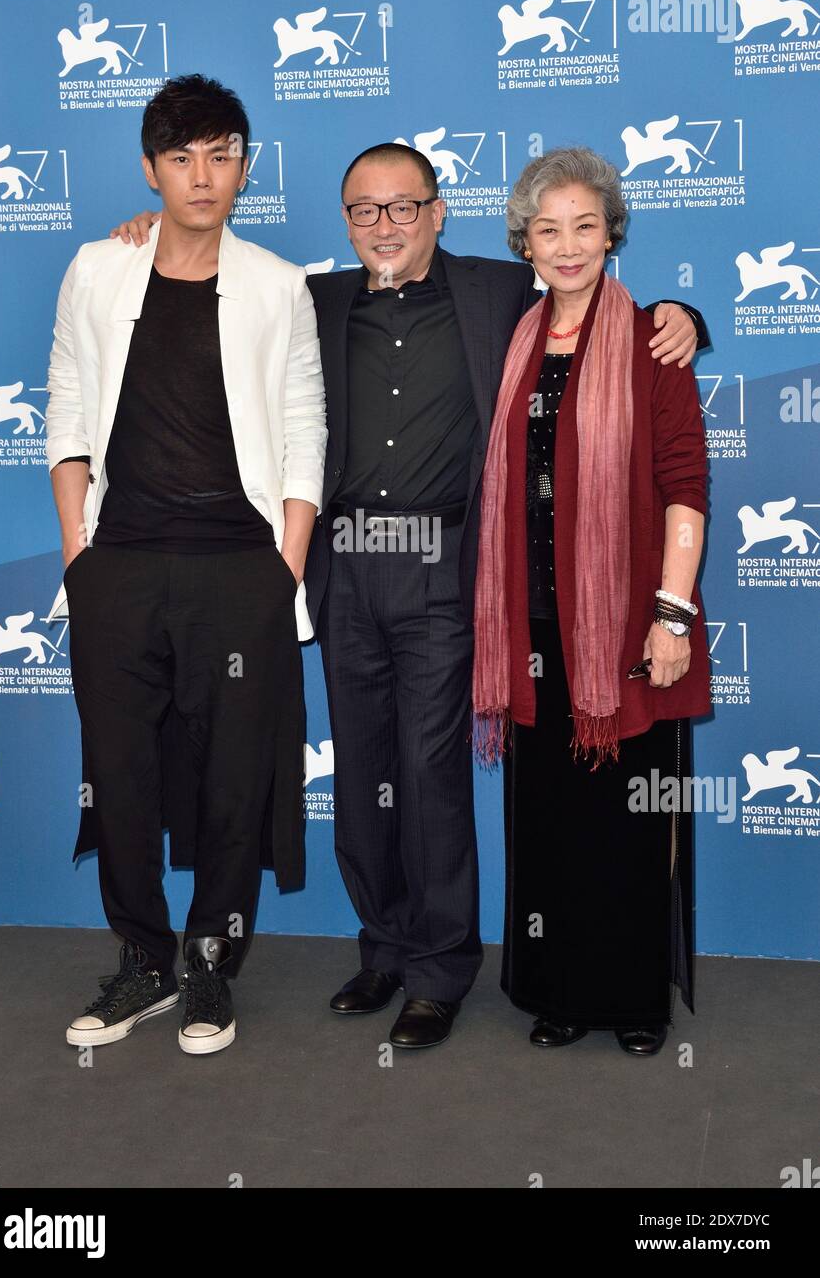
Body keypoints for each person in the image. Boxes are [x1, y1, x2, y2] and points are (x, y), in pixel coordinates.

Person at [110, 143, 706, 1049]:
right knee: (364, 770)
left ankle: (440, 967)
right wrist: (152, 232)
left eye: (403, 207)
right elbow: (213, 278)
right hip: (344, 563)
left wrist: (684, 315)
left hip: (446, 564)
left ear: (437, 212)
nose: (384, 226)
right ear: (346, 221)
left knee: (430, 776)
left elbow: (595, 299)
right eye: (365, 211)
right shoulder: (313, 299)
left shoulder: (498, 292)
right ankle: (382, 946)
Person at [45, 74, 326, 1055]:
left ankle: (209, 962)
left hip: (237, 572)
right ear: (149, 168)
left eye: (221, 154)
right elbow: (68, 410)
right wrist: (79, 556)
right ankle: (143, 959)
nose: (202, 176)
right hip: (118, 566)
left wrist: (282, 572)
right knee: (118, 773)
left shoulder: (278, 284)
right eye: (181, 157)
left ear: (244, 165)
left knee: (230, 777)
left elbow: (302, 432)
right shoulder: (96, 269)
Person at [473, 146, 711, 1056]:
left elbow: (685, 484)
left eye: (585, 225)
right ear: (524, 242)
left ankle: (636, 1000)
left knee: (625, 823)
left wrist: (673, 615)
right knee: (552, 828)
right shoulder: (516, 336)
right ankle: (559, 993)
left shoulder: (655, 338)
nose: (567, 245)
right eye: (547, 229)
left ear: (611, 233)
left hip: (625, 626)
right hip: (532, 627)